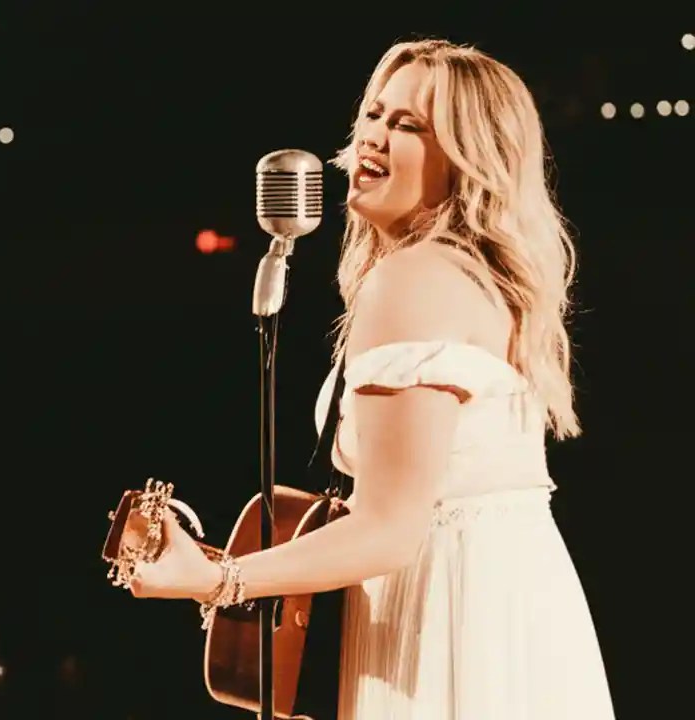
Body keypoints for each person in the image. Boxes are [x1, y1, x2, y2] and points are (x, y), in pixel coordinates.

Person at [126, 38, 616, 718]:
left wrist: (218, 578)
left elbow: (390, 528)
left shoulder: (414, 280)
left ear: (470, 158)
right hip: (509, 610)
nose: (374, 139)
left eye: (409, 125)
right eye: (375, 116)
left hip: (444, 620)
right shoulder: (476, 278)